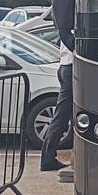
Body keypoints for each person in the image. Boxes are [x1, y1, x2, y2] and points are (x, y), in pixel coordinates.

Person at [40, 26, 74, 172]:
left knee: (62, 114)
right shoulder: (75, 24)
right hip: (72, 67)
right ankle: (47, 158)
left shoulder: (66, 24)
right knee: (62, 116)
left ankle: (48, 157)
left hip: (65, 65)